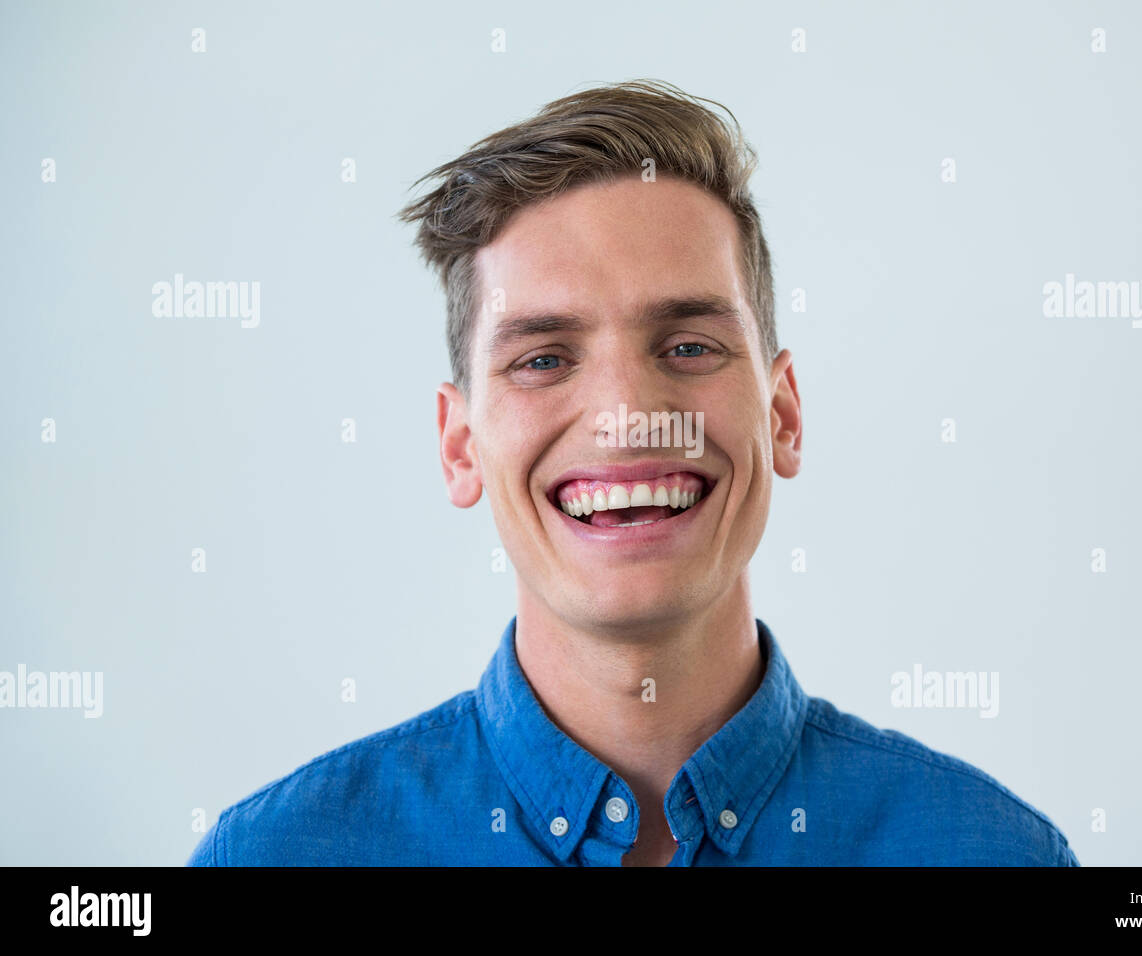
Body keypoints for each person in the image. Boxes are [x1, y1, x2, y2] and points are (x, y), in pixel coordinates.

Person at [187, 79, 1079, 866]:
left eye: (688, 345)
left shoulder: (998, 855)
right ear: (460, 446)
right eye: (542, 358)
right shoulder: (274, 857)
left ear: (783, 416)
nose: (625, 416)